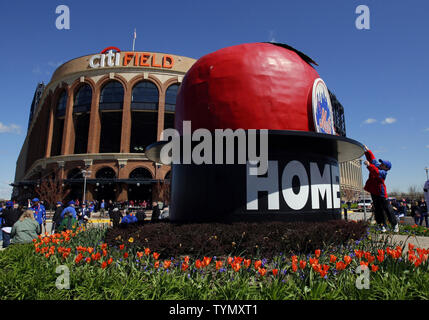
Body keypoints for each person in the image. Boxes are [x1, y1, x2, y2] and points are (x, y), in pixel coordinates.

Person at [363, 145, 399, 233]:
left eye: (383, 164)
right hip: (374, 192)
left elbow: (376, 172)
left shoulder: (383, 173)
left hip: (381, 193)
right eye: (381, 163)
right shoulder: (378, 165)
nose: (381, 164)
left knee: (387, 209)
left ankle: (395, 225)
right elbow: (372, 159)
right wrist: (367, 150)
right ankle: (382, 226)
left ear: (386, 168)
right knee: (378, 210)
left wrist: (368, 166)